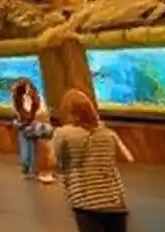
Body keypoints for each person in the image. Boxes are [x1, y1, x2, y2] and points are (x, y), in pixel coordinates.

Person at [52, 89, 132, 232]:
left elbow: (56, 160)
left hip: (86, 201)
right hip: (115, 201)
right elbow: (129, 158)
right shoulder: (108, 133)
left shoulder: (63, 134)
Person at [12, 78, 55, 183]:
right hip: (28, 126)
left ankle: (31, 170)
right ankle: (29, 169)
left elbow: (42, 114)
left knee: (33, 146)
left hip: (35, 126)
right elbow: (20, 114)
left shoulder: (37, 99)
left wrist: (30, 121)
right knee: (27, 147)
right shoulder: (20, 100)